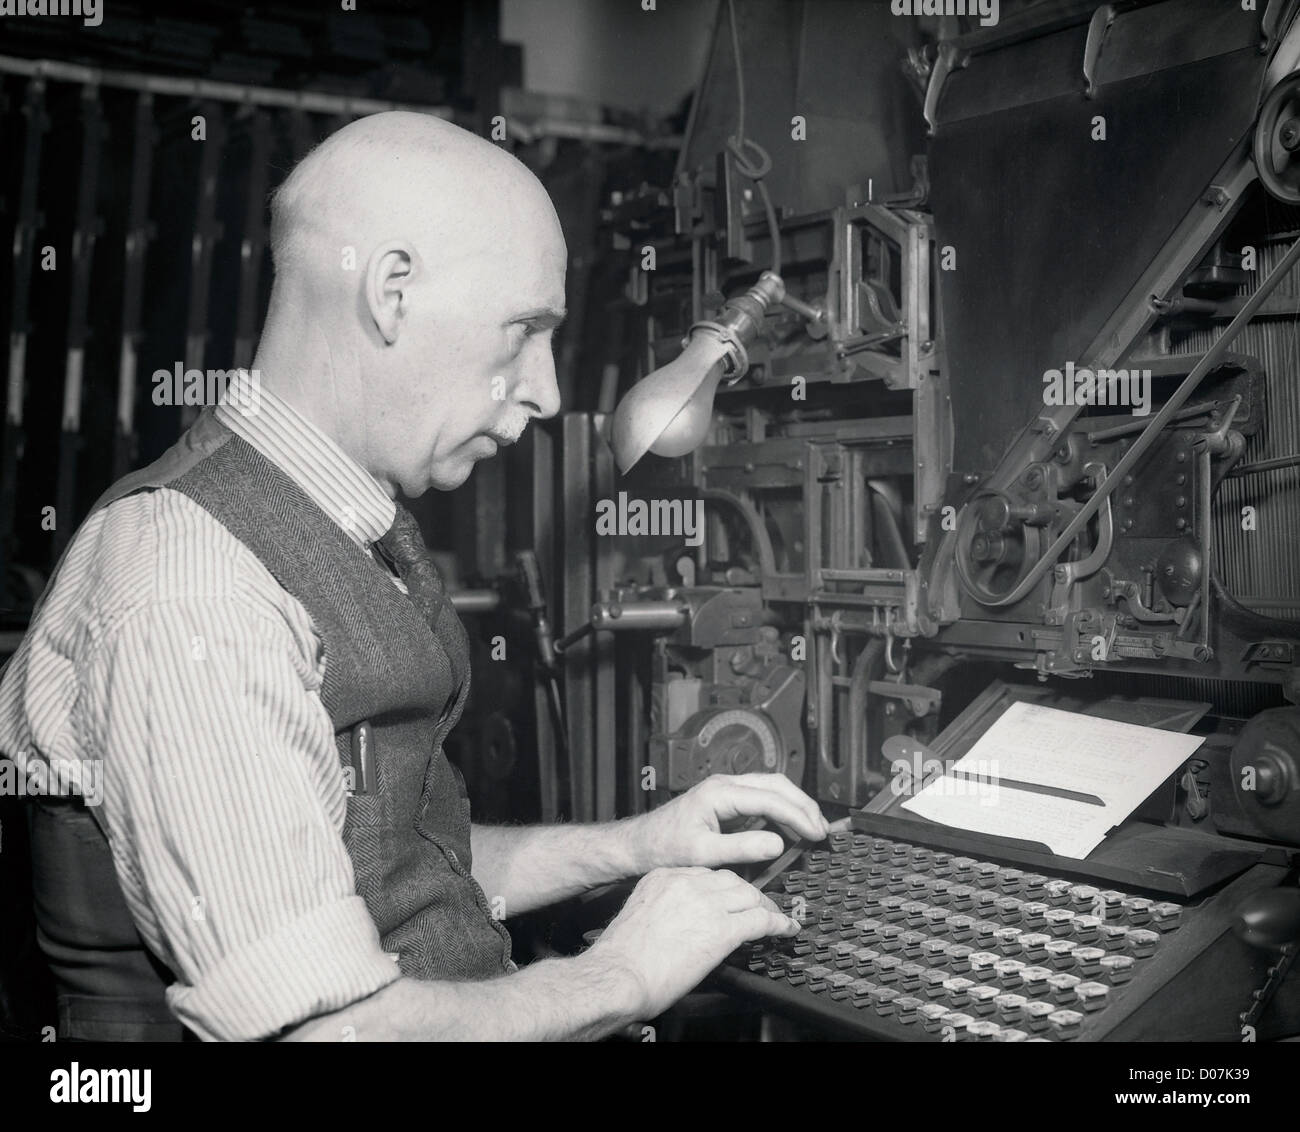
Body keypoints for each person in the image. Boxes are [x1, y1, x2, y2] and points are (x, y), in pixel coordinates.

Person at [0, 112, 829, 1041]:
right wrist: (624, 974)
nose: (548, 393)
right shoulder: (194, 588)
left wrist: (635, 845)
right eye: (525, 330)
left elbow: (382, 861)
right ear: (391, 292)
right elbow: (328, 1033)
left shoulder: (352, 527)